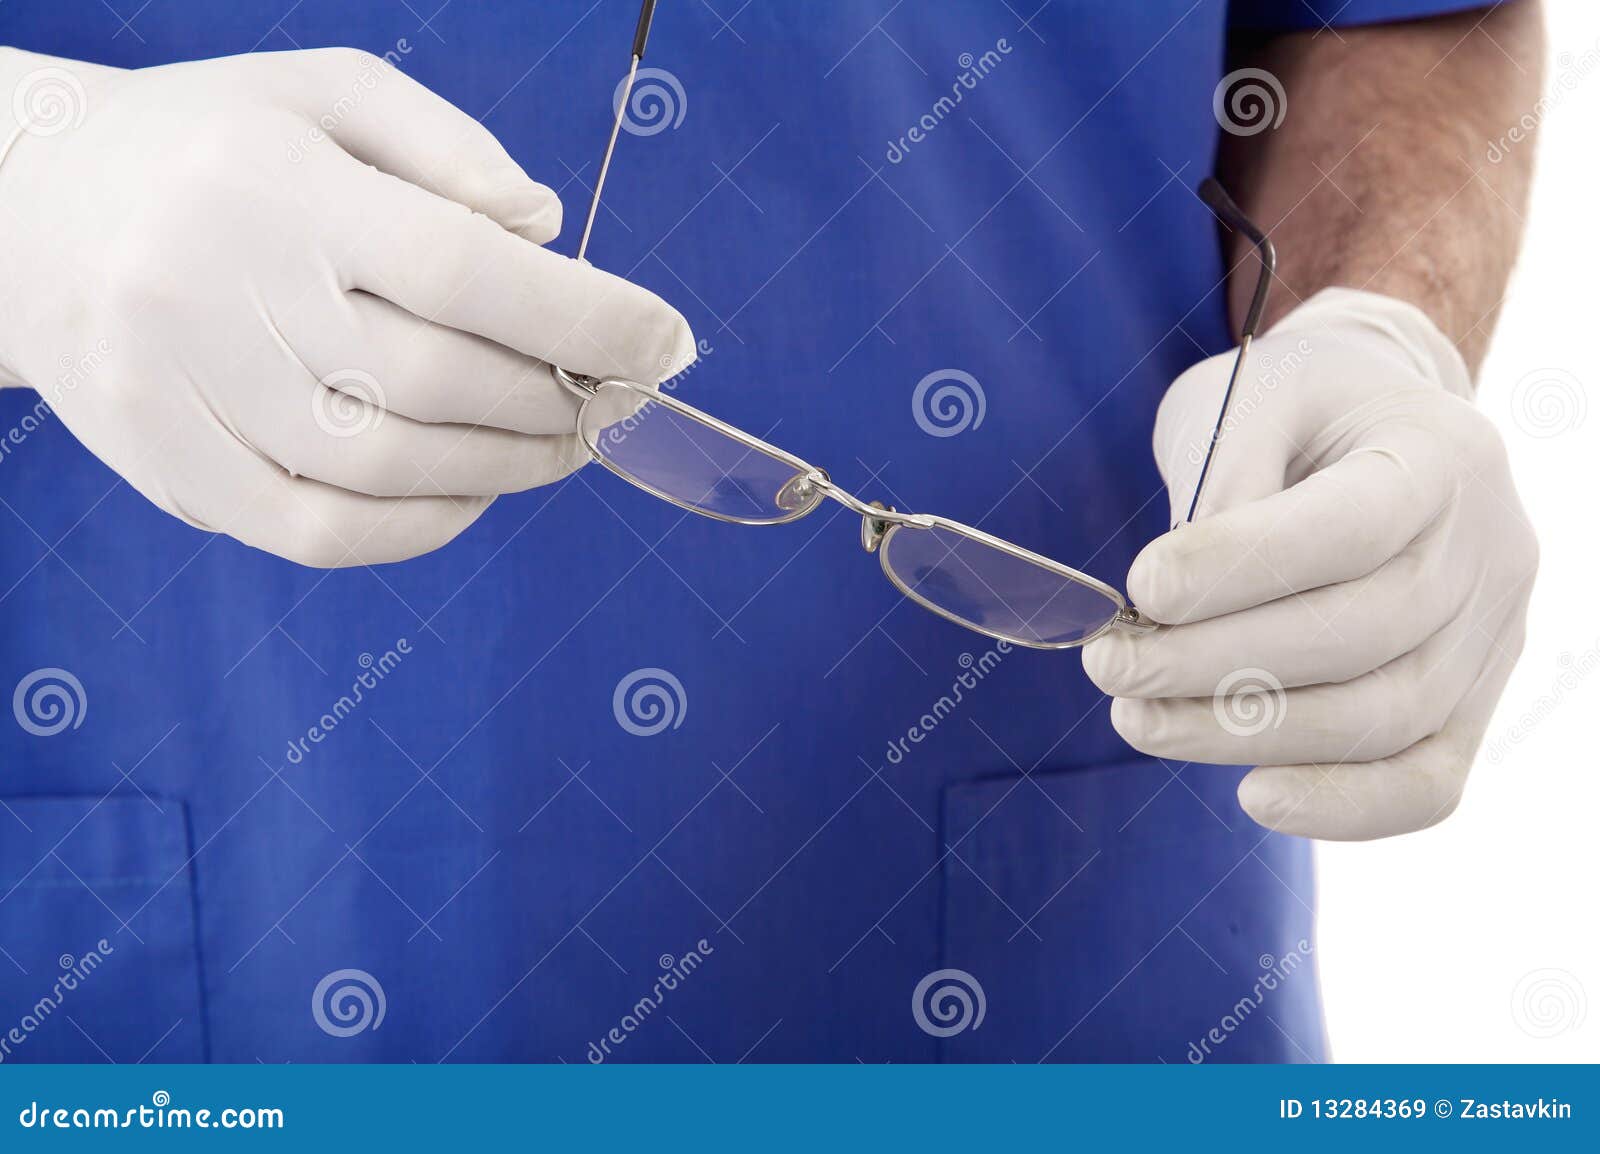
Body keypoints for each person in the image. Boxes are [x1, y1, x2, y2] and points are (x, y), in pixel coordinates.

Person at [0, 0, 1540, 1062]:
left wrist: (1379, 328)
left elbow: (1394, 15)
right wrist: (34, 176)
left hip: (1050, 913)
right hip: (140, 860)